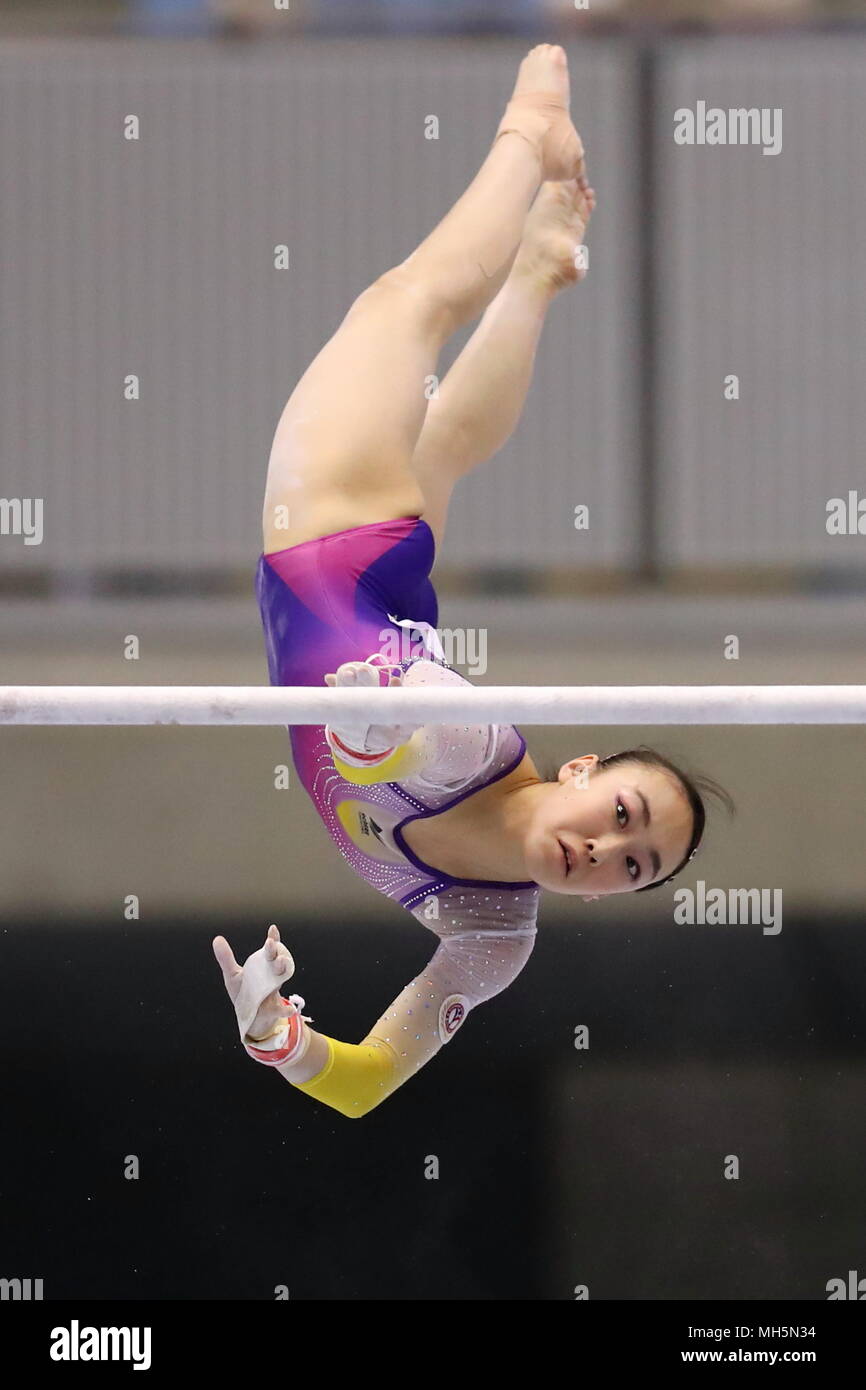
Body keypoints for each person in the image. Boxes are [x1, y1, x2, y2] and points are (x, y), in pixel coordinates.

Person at [213, 45, 732, 1119]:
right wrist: (381, 716)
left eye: (629, 867)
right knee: (405, 305)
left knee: (442, 448)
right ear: (583, 766)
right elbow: (373, 725)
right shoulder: (456, 737)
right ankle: (527, 130)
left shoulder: (491, 938)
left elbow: (359, 1085)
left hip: (385, 591)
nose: (600, 851)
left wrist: (280, 1039)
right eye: (621, 813)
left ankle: (539, 264)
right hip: (330, 527)